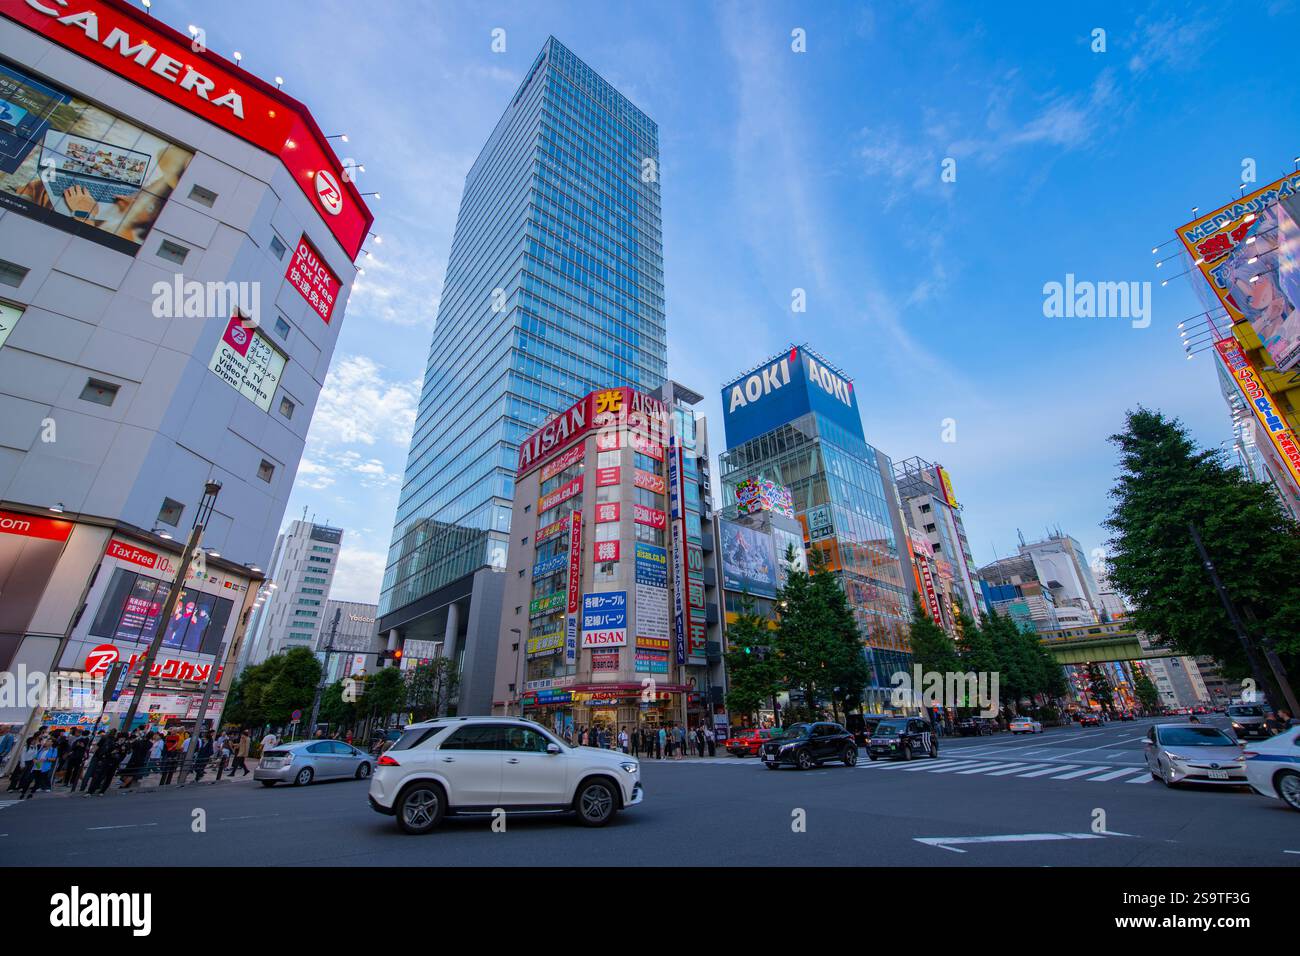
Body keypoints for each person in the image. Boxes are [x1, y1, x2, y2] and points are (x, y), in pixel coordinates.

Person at [85, 732, 124, 796]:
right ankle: (92, 791)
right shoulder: (112, 742)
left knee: (107, 777)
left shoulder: (122, 745)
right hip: (106, 761)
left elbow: (122, 755)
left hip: (113, 763)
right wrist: (110, 753)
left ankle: (100, 791)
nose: (122, 740)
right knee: (100, 776)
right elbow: (106, 752)